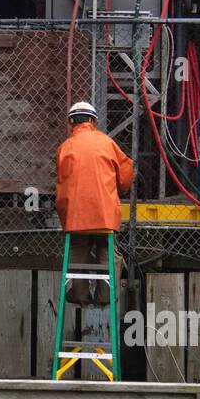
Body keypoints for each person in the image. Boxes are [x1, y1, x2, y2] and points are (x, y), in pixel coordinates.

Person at [55, 101, 133, 305]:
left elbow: (62, 186)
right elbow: (125, 174)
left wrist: (66, 218)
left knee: (78, 249)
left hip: (75, 217)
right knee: (107, 251)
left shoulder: (64, 148)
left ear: (71, 123)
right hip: (105, 216)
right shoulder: (107, 143)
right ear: (92, 120)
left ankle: (80, 294)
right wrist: (119, 189)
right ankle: (105, 296)